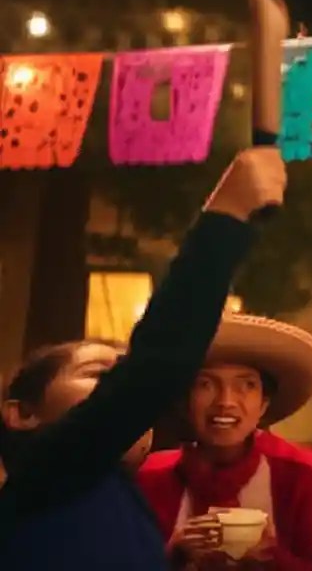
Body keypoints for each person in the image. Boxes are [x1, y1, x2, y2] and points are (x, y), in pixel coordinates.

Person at [0, 148, 285, 569]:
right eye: (100, 374)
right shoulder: (43, 478)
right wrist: (227, 214)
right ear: (21, 414)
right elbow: (153, 371)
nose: (119, 385)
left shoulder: (116, 492)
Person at [136, 314, 312, 570]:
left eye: (246, 385)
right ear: (184, 401)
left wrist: (272, 559)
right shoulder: (151, 475)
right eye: (205, 384)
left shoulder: (299, 472)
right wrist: (174, 553)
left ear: (264, 403)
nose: (226, 401)